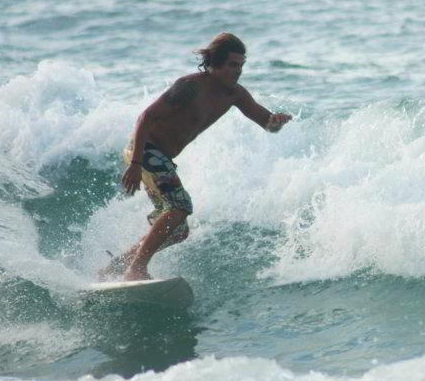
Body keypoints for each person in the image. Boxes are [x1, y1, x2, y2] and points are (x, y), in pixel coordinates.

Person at [100, 33, 292, 281]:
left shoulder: (235, 94)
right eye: (233, 65)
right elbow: (145, 118)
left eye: (242, 65)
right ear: (214, 63)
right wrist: (136, 164)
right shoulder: (189, 87)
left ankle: (115, 267)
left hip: (162, 160)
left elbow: (266, 123)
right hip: (146, 150)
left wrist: (276, 122)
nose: (238, 71)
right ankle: (135, 269)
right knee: (180, 207)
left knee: (178, 231)